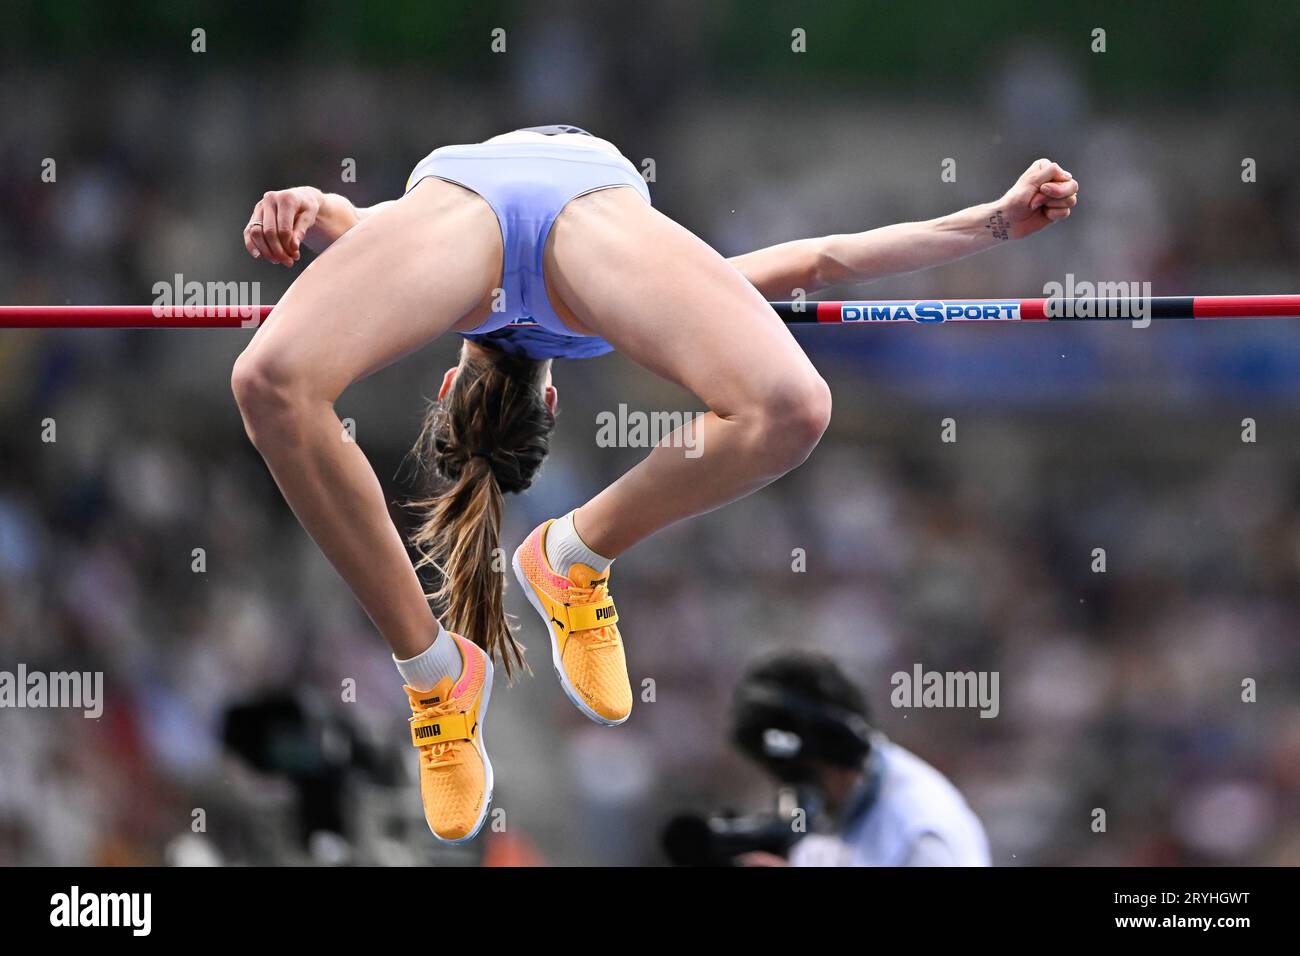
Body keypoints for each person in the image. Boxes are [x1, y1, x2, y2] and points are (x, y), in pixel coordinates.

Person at [232, 124, 1079, 843]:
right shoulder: (604, 304)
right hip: (575, 221)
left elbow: (822, 258)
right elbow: (820, 258)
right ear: (465, 389)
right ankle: (571, 555)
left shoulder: (496, 289)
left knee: (268, 385)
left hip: (471, 213)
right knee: (788, 407)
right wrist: (990, 224)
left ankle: (442, 667)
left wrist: (991, 224)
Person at [731, 651, 991, 867]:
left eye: (800, 775)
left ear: (841, 751)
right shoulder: (841, 809)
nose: (794, 792)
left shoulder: (921, 834)